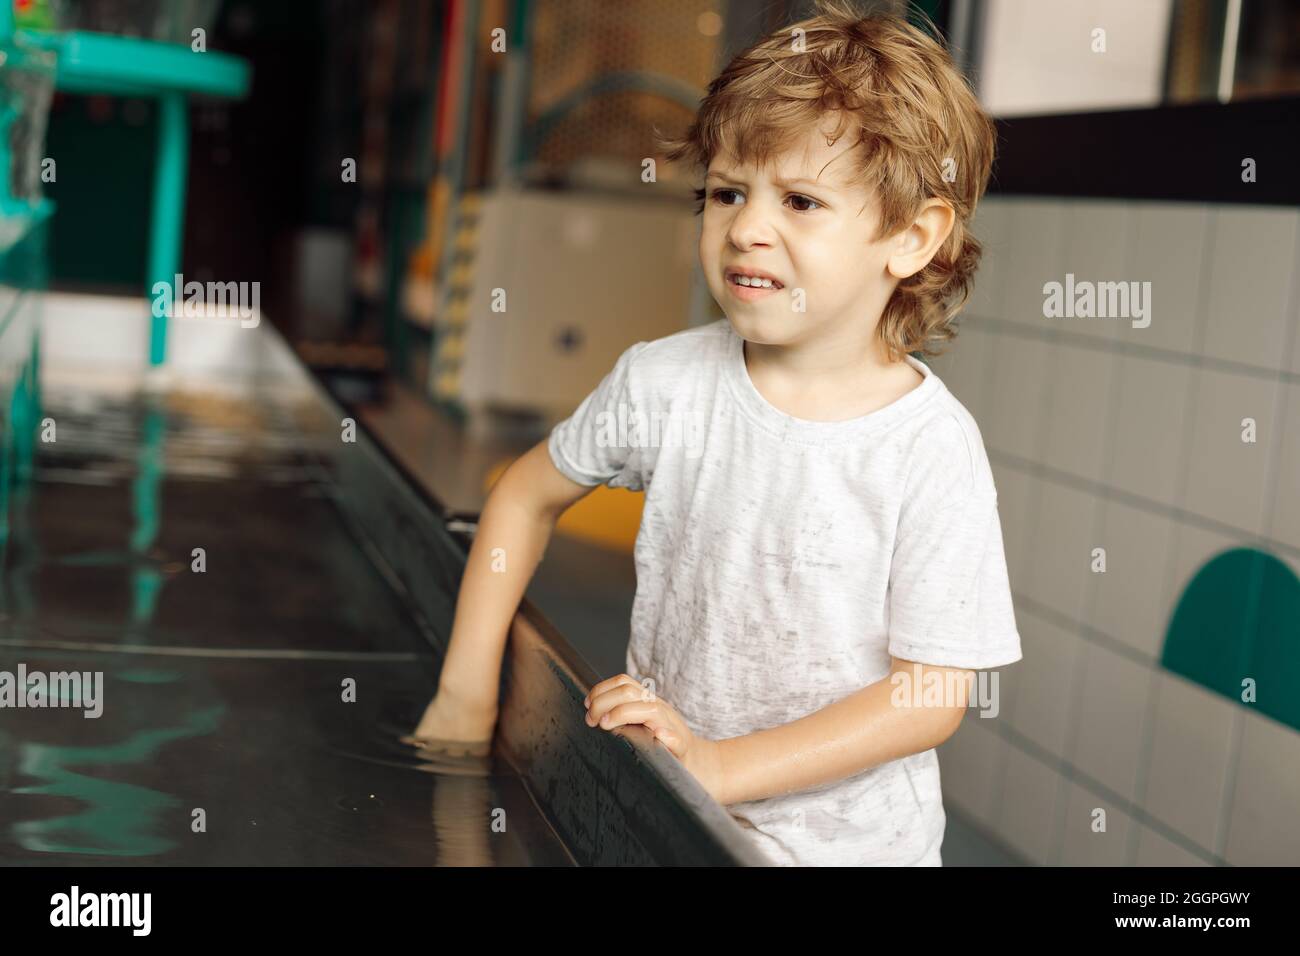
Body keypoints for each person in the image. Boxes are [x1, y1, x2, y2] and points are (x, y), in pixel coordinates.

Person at [408, 0, 1022, 866]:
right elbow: (522, 497)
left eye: (801, 200)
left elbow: (928, 695)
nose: (746, 227)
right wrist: (466, 696)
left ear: (911, 238)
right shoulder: (666, 384)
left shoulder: (928, 449)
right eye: (727, 191)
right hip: (672, 824)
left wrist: (718, 765)